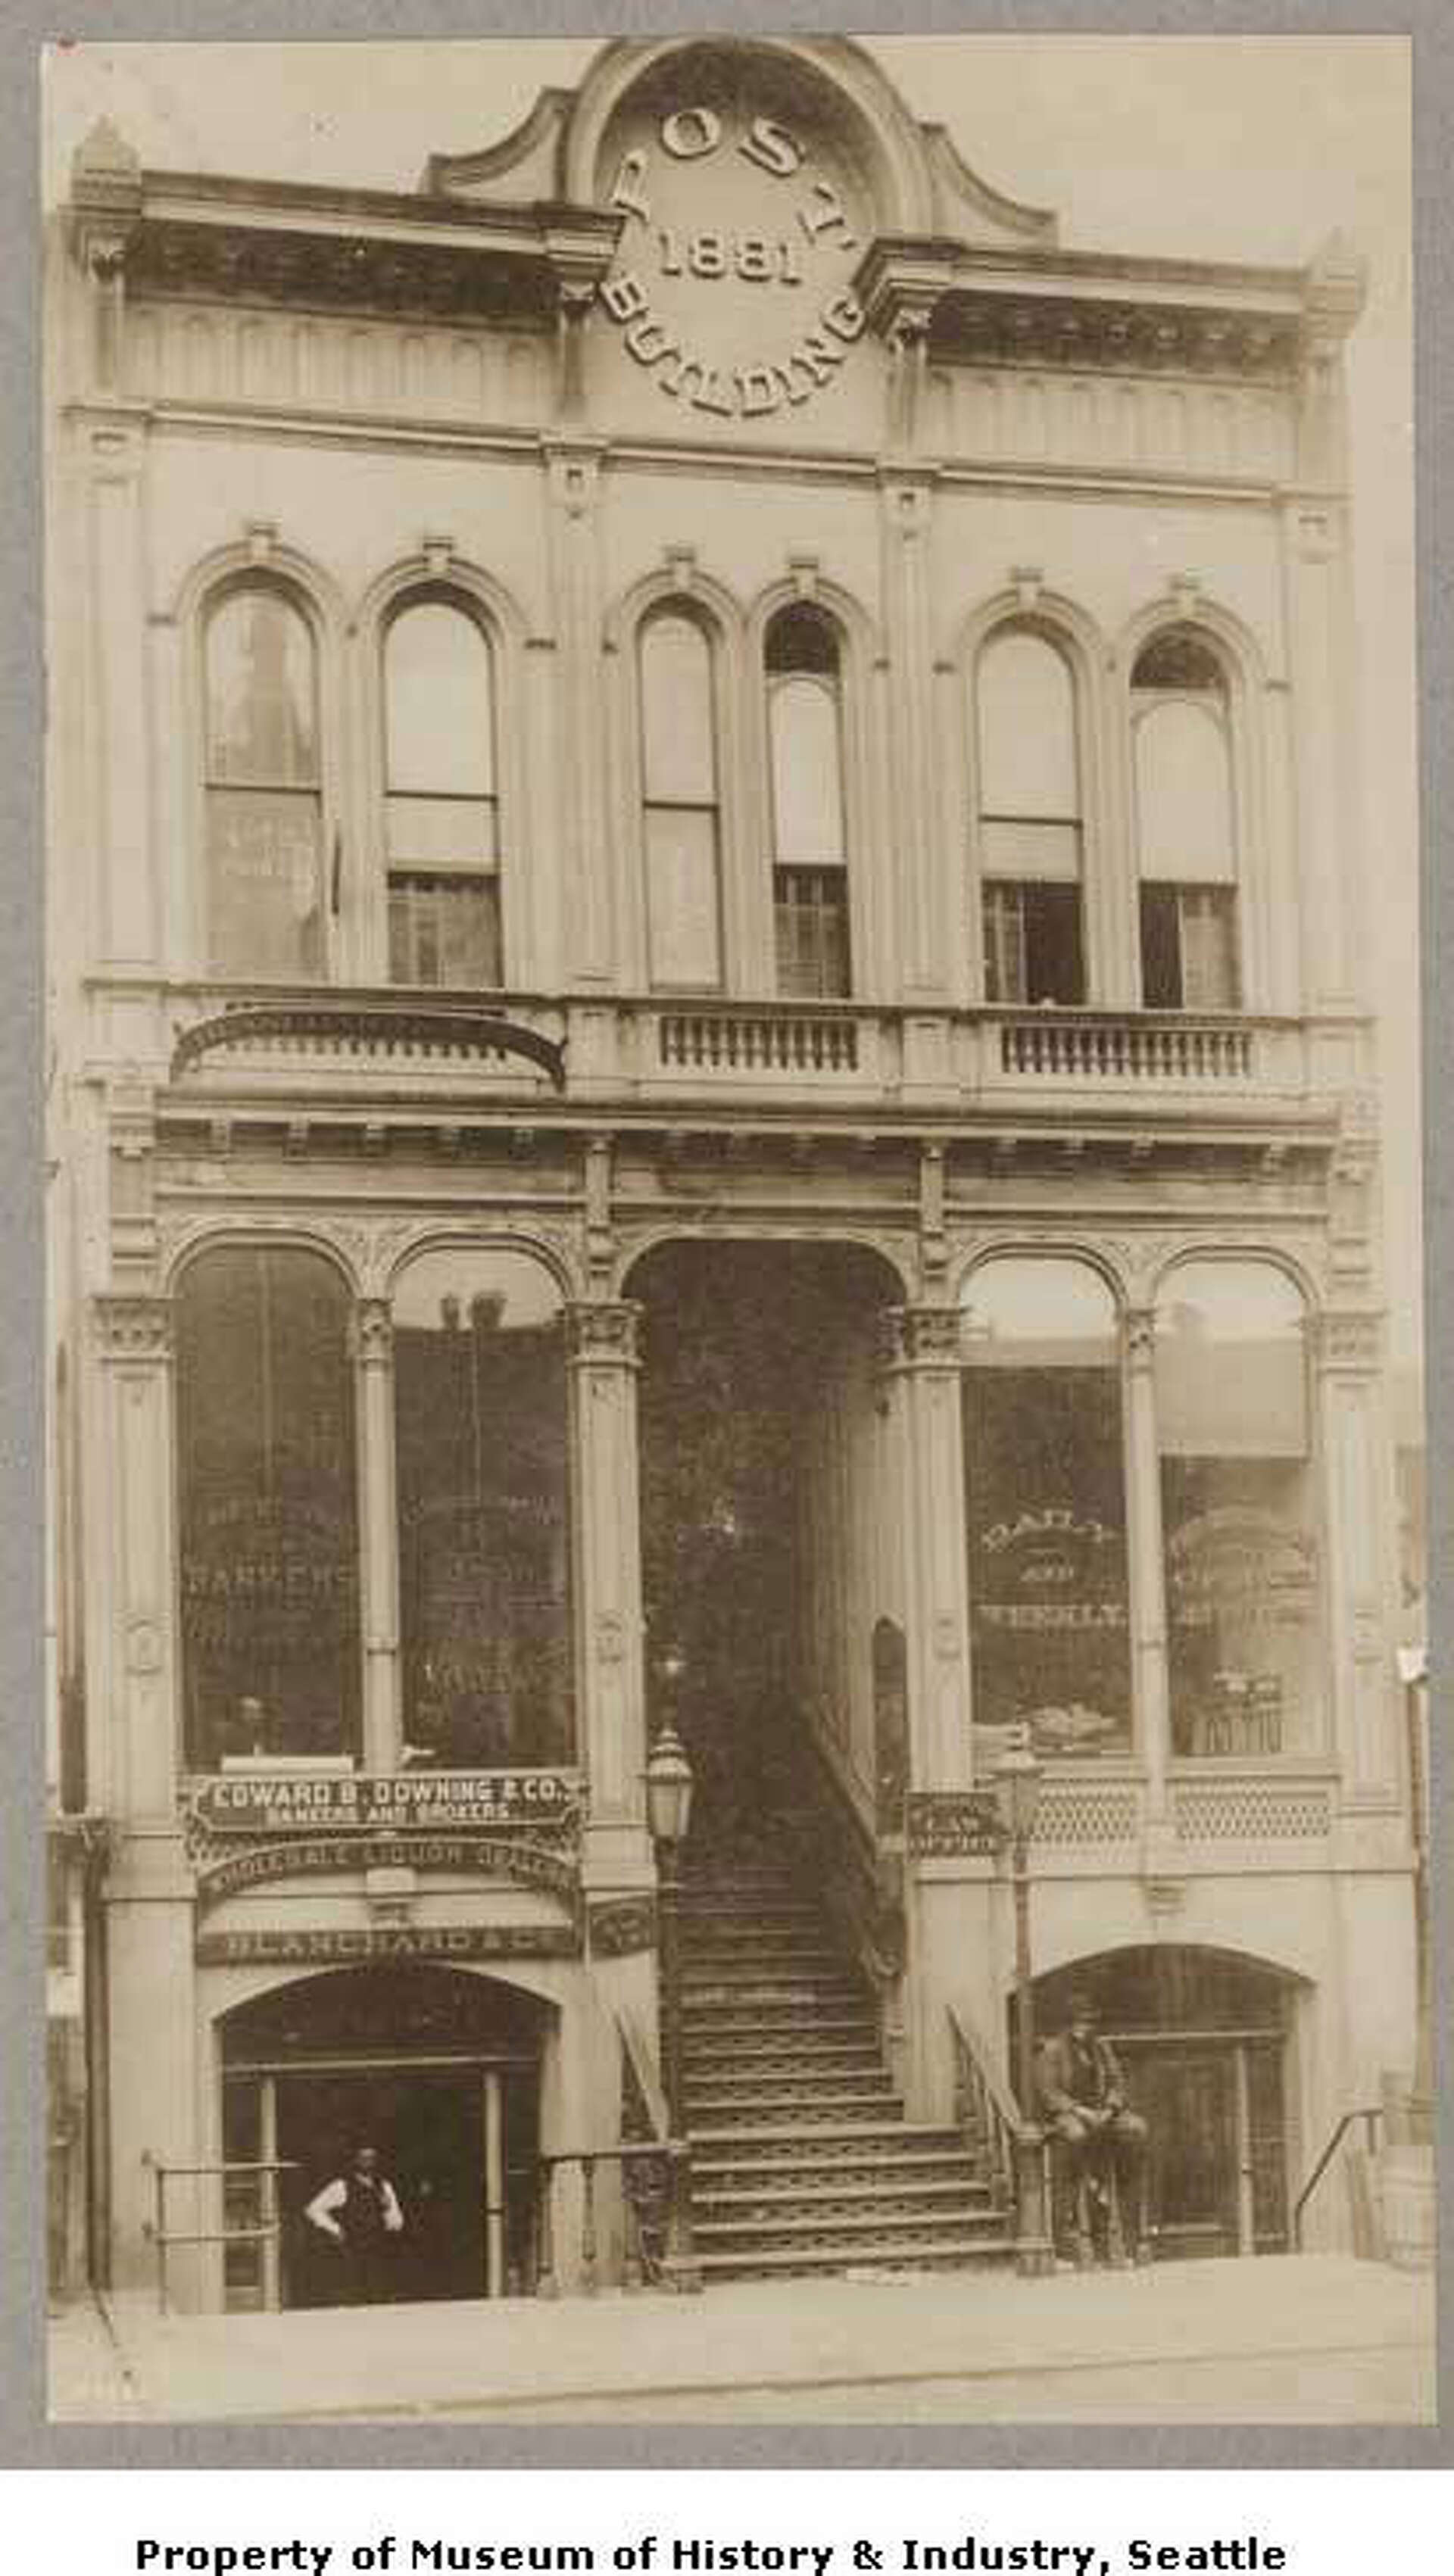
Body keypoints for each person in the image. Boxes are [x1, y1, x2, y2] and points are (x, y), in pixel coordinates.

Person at [1035, 1989, 1150, 2267]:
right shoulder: (1052, 2051)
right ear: (1069, 2023)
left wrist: (1110, 2108)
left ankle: (1121, 2196)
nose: (1085, 2028)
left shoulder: (1101, 2047)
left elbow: (1117, 2081)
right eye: (1079, 2022)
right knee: (1076, 2135)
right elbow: (1049, 2092)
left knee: (1137, 2128)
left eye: (1088, 2022)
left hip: (1101, 2112)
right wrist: (1080, 2110)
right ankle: (1084, 2191)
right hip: (1068, 2113)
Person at [303, 2144, 404, 2305]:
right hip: (353, 2251)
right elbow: (313, 2209)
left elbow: (397, 2223)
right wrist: (335, 2229)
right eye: (363, 2158)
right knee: (355, 2298)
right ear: (355, 2160)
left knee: (379, 2298)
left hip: (379, 2251)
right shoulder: (341, 2185)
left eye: (372, 2158)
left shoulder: (384, 2186)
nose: (368, 2162)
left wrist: (387, 2209)